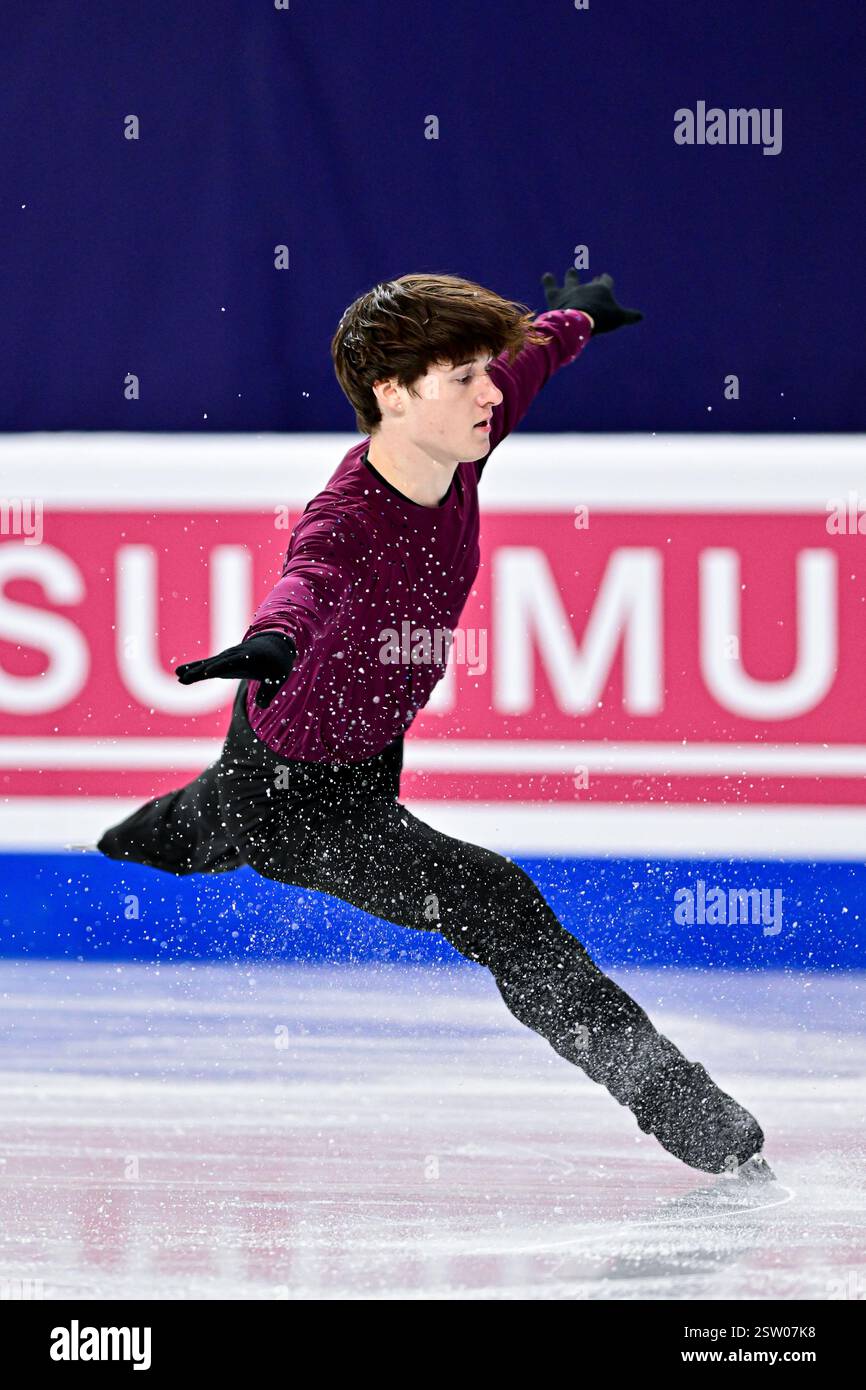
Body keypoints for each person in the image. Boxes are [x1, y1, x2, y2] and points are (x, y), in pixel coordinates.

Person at [98, 269, 774, 1182]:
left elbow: (535, 354)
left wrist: (581, 316)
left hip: (351, 757)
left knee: (198, 818)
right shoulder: (346, 516)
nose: (488, 392)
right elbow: (309, 579)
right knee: (492, 901)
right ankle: (692, 1115)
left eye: (482, 372)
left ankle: (169, 824)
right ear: (392, 393)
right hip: (296, 801)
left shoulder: (466, 441)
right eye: (462, 377)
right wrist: (270, 639)